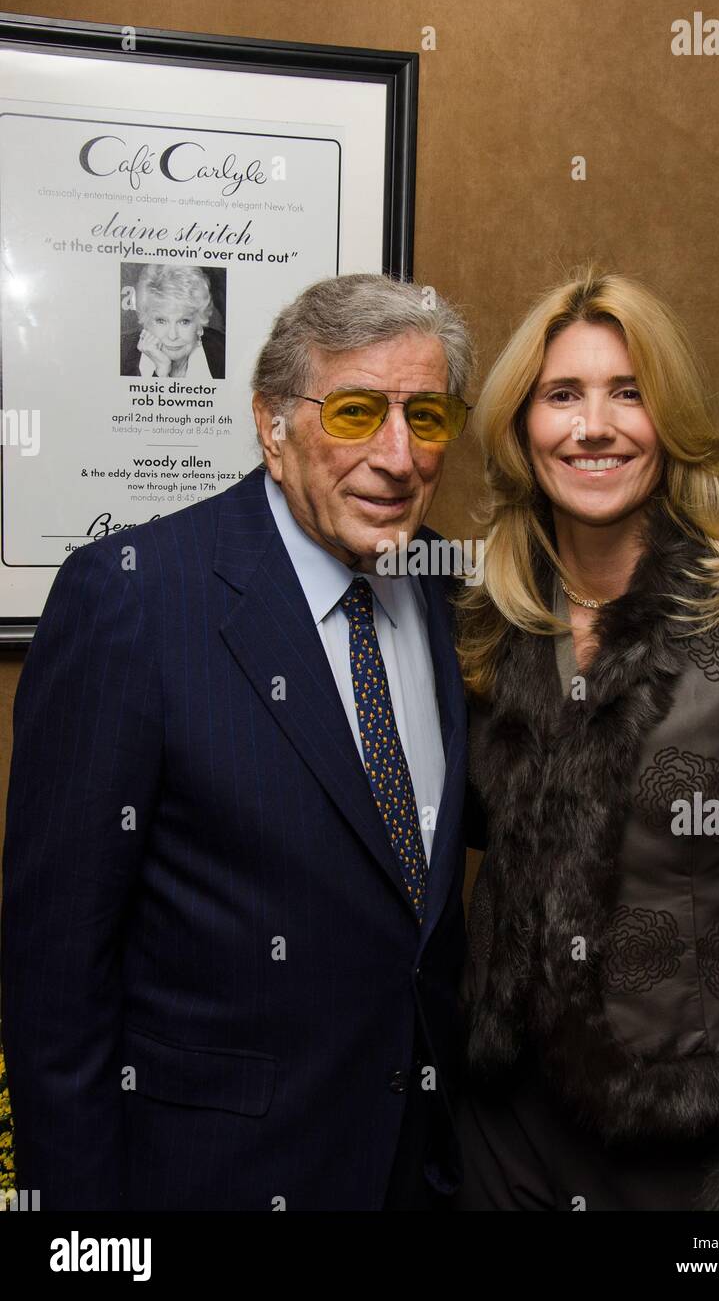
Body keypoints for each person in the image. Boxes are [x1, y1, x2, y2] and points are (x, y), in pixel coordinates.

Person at [1, 272, 474, 1211]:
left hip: (412, 1168)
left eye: (426, 418)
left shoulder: (448, 593)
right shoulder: (133, 599)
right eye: (353, 413)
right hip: (210, 1176)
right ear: (271, 424)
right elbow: (55, 980)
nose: (396, 455)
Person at [453, 262, 719, 1211]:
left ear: (669, 420)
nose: (592, 426)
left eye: (626, 394)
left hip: (684, 1139)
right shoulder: (490, 618)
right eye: (561, 395)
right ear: (523, 428)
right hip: (503, 1133)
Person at [120, 263, 225, 380]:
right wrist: (161, 371)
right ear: (146, 322)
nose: (172, 336)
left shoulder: (223, 351)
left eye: (184, 321)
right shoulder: (122, 354)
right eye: (161, 321)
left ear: (200, 325)